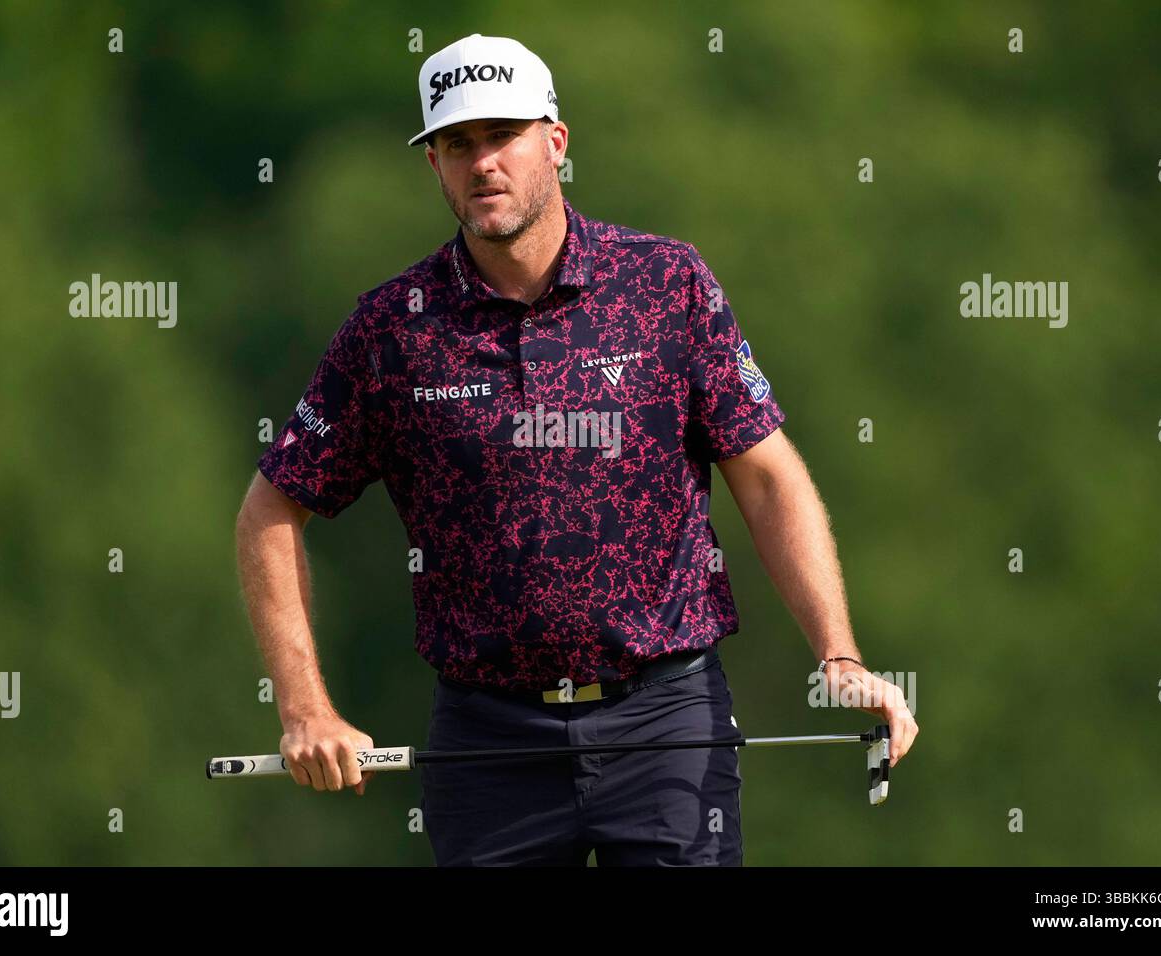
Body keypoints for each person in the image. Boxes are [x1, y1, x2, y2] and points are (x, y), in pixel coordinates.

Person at [235, 33, 918, 866]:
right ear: (435, 167)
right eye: (457, 144)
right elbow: (271, 509)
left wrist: (837, 657)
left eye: (502, 135)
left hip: (667, 718)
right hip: (489, 735)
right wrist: (305, 706)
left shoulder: (668, 283)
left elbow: (768, 476)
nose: (482, 162)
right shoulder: (392, 328)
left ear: (555, 142)